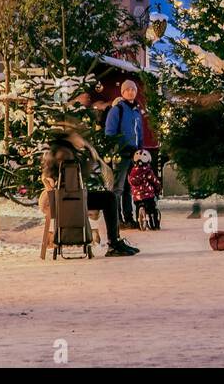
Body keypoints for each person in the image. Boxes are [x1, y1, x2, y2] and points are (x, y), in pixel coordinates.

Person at [41, 127, 139, 257]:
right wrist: (90, 153)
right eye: (78, 138)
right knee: (109, 198)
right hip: (70, 200)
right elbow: (78, 175)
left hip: (62, 199)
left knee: (108, 197)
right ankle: (114, 243)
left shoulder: (56, 151)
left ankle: (115, 242)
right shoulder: (65, 154)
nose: (81, 140)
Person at [104, 79, 146, 228]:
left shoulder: (135, 110)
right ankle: (116, 219)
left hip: (134, 154)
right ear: (122, 92)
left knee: (129, 188)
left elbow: (139, 132)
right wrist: (116, 148)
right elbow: (109, 132)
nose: (131, 92)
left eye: (133, 90)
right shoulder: (117, 110)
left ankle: (129, 218)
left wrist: (140, 149)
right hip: (120, 154)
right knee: (118, 188)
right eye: (127, 90)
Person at [127, 150, 161, 229]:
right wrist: (158, 188)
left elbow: (130, 182)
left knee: (137, 207)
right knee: (152, 209)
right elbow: (154, 181)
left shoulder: (132, 172)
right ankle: (155, 224)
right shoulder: (148, 171)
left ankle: (139, 224)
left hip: (137, 196)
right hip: (148, 195)